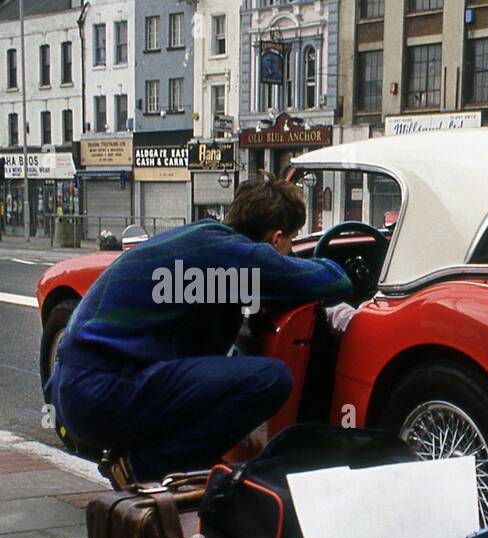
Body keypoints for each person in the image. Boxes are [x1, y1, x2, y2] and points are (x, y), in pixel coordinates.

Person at [47, 173, 354, 484]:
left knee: (208, 379)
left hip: (74, 390)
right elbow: (334, 278)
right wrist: (290, 269)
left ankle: (141, 459)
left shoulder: (202, 239)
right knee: (269, 380)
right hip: (101, 392)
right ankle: (142, 468)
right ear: (276, 239)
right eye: (291, 240)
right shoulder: (236, 255)